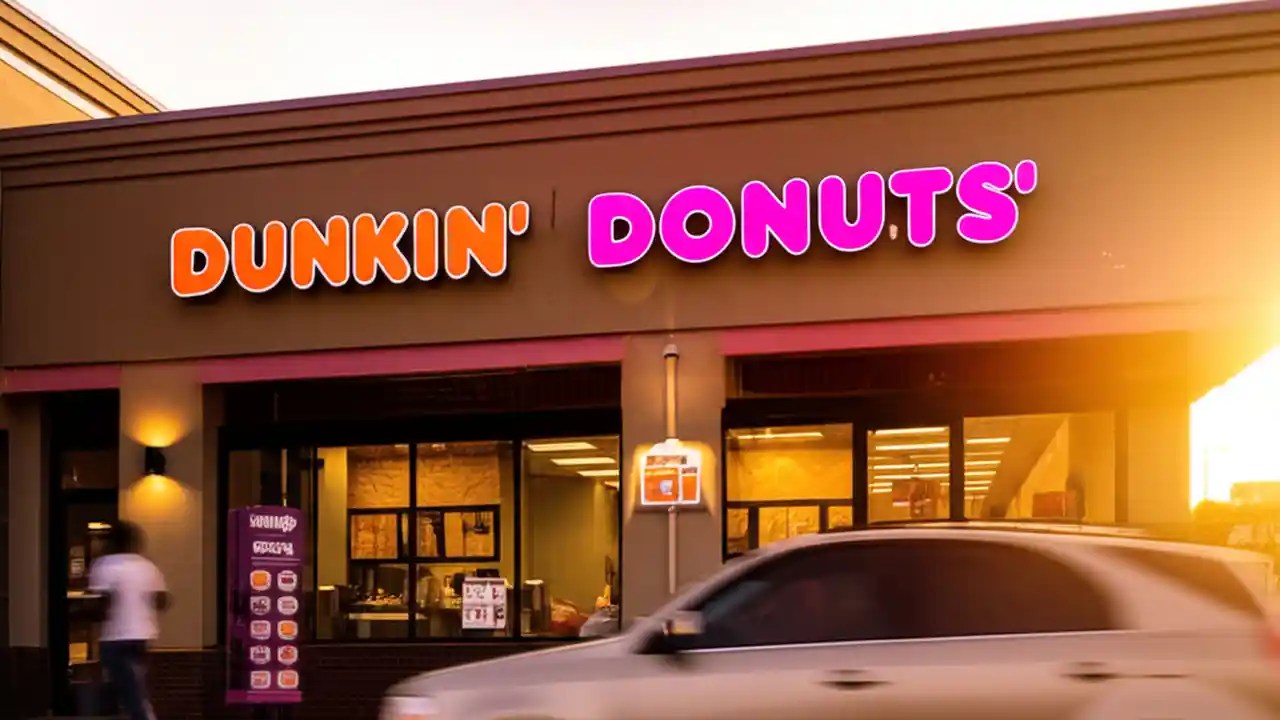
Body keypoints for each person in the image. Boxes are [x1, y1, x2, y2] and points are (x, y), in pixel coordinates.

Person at [88, 521, 169, 720]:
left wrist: (87, 613)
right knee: (129, 683)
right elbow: (162, 601)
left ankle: (143, 716)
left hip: (114, 636)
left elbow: (101, 604)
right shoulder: (147, 566)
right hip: (142, 635)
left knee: (125, 687)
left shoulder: (104, 565)